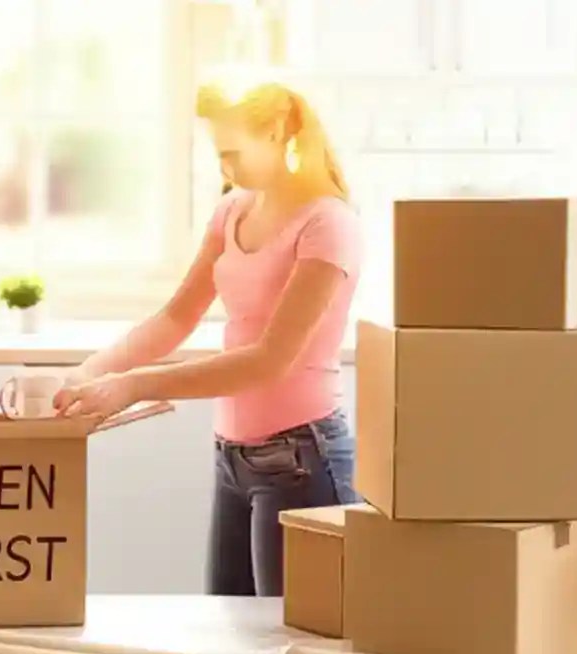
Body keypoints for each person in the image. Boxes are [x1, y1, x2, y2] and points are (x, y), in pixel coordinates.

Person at [52, 81, 362, 597]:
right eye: (218, 154)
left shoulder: (329, 224)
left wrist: (133, 386)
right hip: (233, 458)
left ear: (275, 132)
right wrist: (87, 373)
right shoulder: (232, 211)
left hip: (303, 459)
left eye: (233, 154)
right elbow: (176, 317)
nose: (224, 169)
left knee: (290, 646)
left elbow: (269, 361)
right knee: (232, 634)